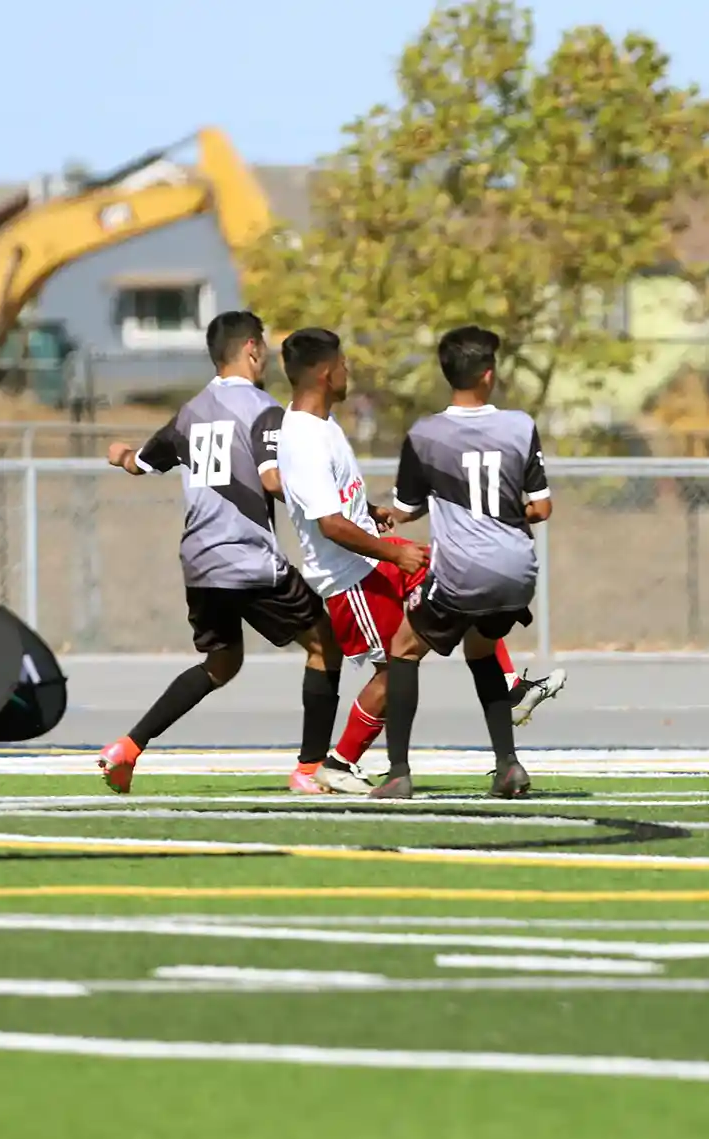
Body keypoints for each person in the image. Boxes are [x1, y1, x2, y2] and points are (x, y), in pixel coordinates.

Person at [270, 330, 569, 793]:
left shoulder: (322, 423)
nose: (350, 370)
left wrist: (370, 513)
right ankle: (338, 762)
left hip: (371, 558)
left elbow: (339, 503)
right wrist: (395, 550)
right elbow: (329, 524)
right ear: (328, 373)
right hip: (349, 574)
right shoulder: (305, 438)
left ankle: (509, 689)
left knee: (453, 573)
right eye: (345, 364)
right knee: (395, 666)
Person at [97, 310, 339, 794]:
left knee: (221, 663)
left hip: (201, 564)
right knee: (325, 647)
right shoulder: (266, 410)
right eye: (264, 346)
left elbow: (142, 464)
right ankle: (310, 769)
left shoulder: (190, 412)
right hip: (248, 560)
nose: (266, 354)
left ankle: (127, 748)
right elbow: (272, 480)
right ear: (251, 348)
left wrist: (120, 453)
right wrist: (331, 498)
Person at [370, 325, 552, 800]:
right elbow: (542, 508)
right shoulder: (519, 425)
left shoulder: (425, 434)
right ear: (489, 375)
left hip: (463, 573)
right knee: (482, 650)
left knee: (403, 647)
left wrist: (386, 516)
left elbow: (406, 508)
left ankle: (397, 772)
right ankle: (509, 765)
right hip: (517, 571)